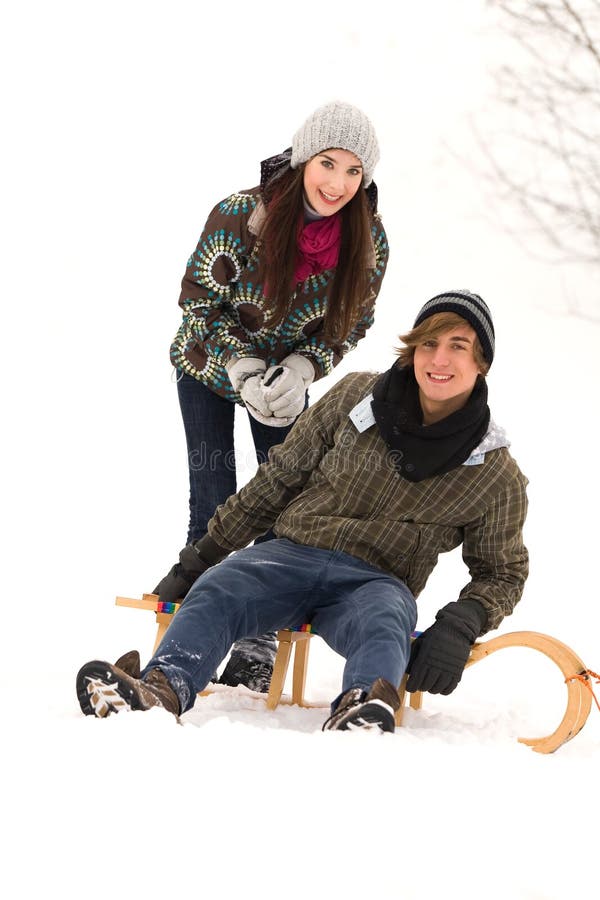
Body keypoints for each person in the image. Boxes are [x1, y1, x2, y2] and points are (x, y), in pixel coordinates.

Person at [78, 291, 529, 733]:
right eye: (428, 343)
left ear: (482, 362)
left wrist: (461, 623)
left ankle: (365, 708)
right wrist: (199, 558)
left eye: (458, 346)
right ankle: (159, 691)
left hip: (376, 581)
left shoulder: (494, 470)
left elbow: (502, 572)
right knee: (221, 585)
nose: (439, 360)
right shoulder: (358, 396)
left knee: (386, 620)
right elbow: (279, 480)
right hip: (290, 555)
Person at [156, 100, 389, 693]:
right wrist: (241, 366)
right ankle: (194, 630)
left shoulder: (369, 238)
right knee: (213, 491)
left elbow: (352, 322)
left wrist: (304, 367)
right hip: (211, 366)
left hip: (285, 385)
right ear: (305, 156)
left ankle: (257, 637)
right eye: (328, 164)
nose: (338, 184)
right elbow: (197, 303)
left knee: (283, 500)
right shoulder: (241, 215)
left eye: (354, 172)